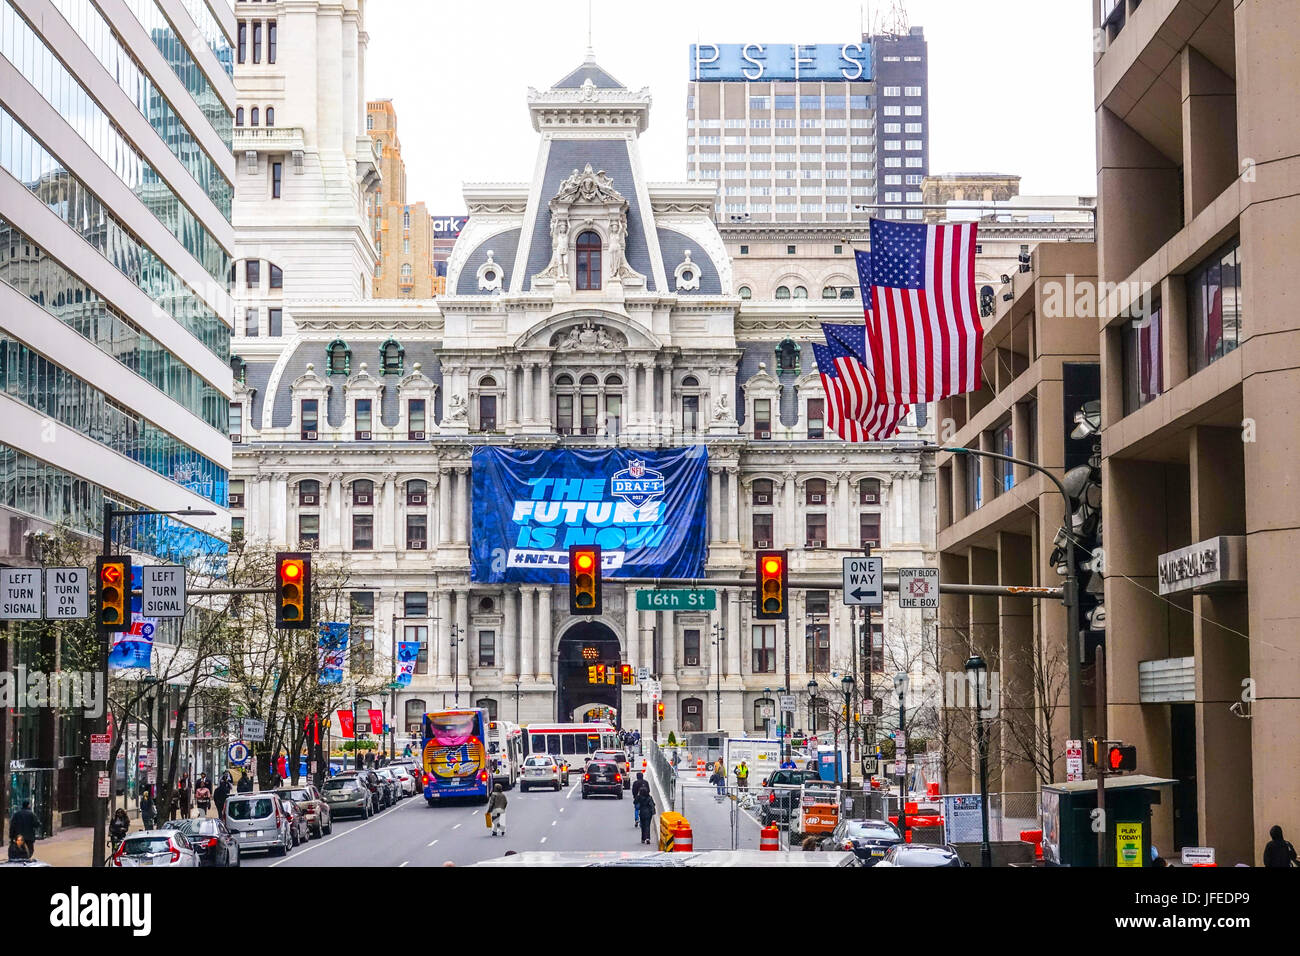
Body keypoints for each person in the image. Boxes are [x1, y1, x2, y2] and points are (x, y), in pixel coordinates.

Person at [635, 780, 656, 845]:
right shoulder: (649, 797)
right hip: (649, 813)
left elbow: (635, 802)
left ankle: (643, 838)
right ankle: (648, 838)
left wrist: (638, 796)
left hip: (642, 812)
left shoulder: (639, 797)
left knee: (643, 825)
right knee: (647, 825)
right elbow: (653, 804)